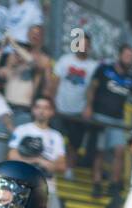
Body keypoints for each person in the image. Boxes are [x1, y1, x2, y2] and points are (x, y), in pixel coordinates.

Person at [85, 43, 132, 198]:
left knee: (120, 151)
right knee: (99, 151)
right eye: (126, 55)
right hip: (99, 116)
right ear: (119, 55)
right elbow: (92, 88)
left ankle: (114, 184)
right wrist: (88, 107)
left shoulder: (131, 78)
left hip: (117, 120)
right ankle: (97, 184)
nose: (129, 59)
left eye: (131, 56)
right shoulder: (104, 69)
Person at [6, 93, 66, 208]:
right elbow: (11, 156)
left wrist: (46, 164)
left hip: (48, 187)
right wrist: (37, 160)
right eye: (38, 107)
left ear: (51, 112)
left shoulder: (57, 137)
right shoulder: (22, 130)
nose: (41, 110)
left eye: (46, 108)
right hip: (23, 186)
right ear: (33, 110)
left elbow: (62, 166)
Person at [0, 22, 51, 132]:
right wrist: (1, 49)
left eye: (38, 34)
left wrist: (13, 44)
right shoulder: (10, 70)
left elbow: (32, 62)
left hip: (24, 110)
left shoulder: (37, 64)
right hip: (5, 109)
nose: (17, 56)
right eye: (16, 54)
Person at [51, 28, 97, 167]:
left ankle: (69, 169)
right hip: (59, 108)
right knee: (54, 140)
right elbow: (55, 82)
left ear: (89, 47)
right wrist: (52, 102)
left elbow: (92, 89)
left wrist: (88, 107)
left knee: (74, 143)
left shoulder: (93, 66)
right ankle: (53, 166)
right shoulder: (65, 60)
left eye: (86, 44)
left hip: (78, 111)